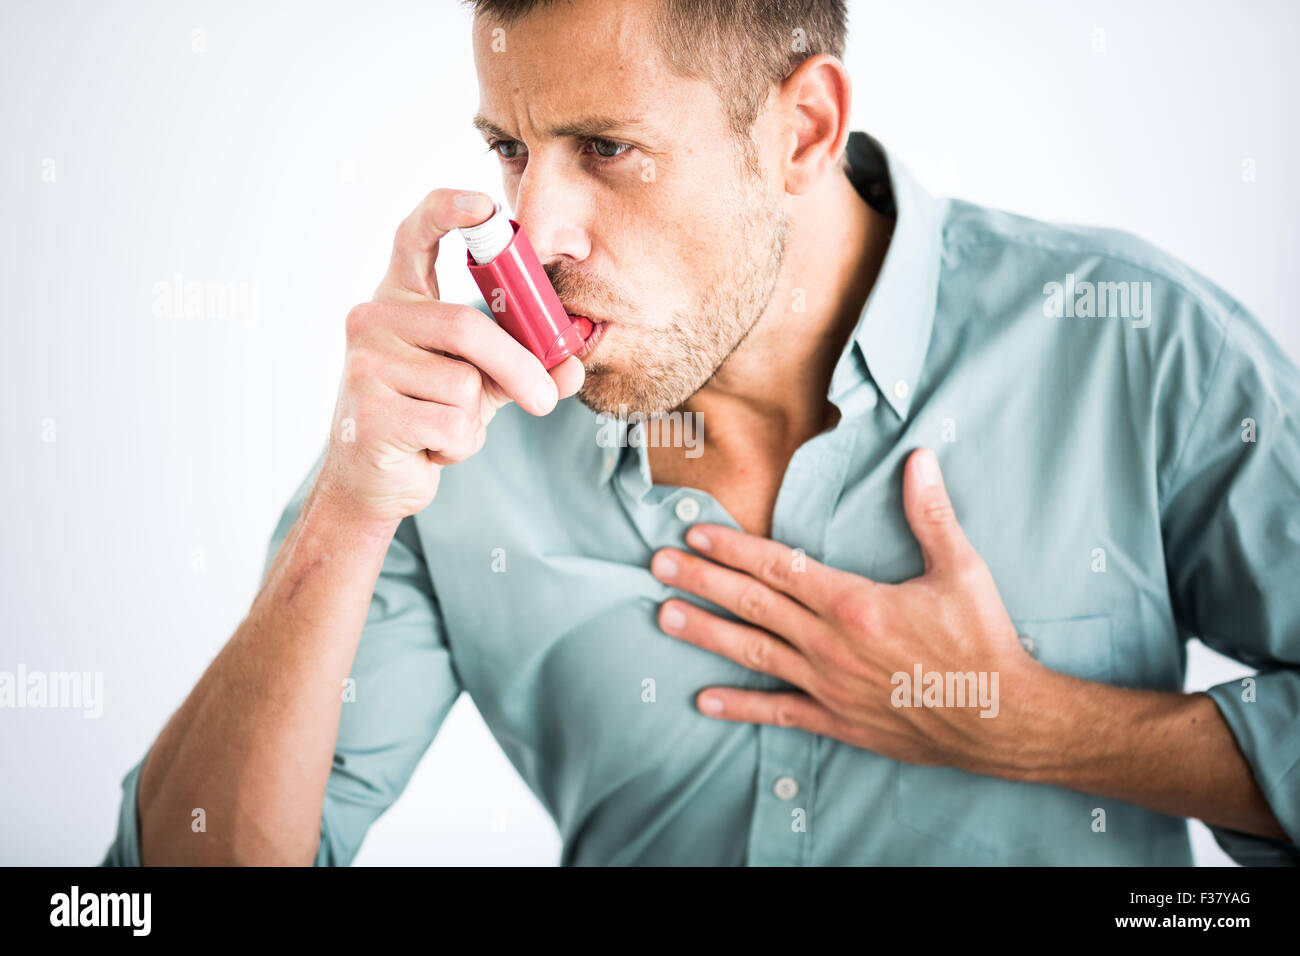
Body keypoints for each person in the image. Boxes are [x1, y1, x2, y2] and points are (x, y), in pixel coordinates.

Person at [104, 0, 1299, 865]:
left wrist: (1041, 729)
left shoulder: (1135, 345)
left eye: (605, 149)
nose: (536, 233)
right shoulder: (451, 436)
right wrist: (349, 508)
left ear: (802, 130)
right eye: (510, 151)